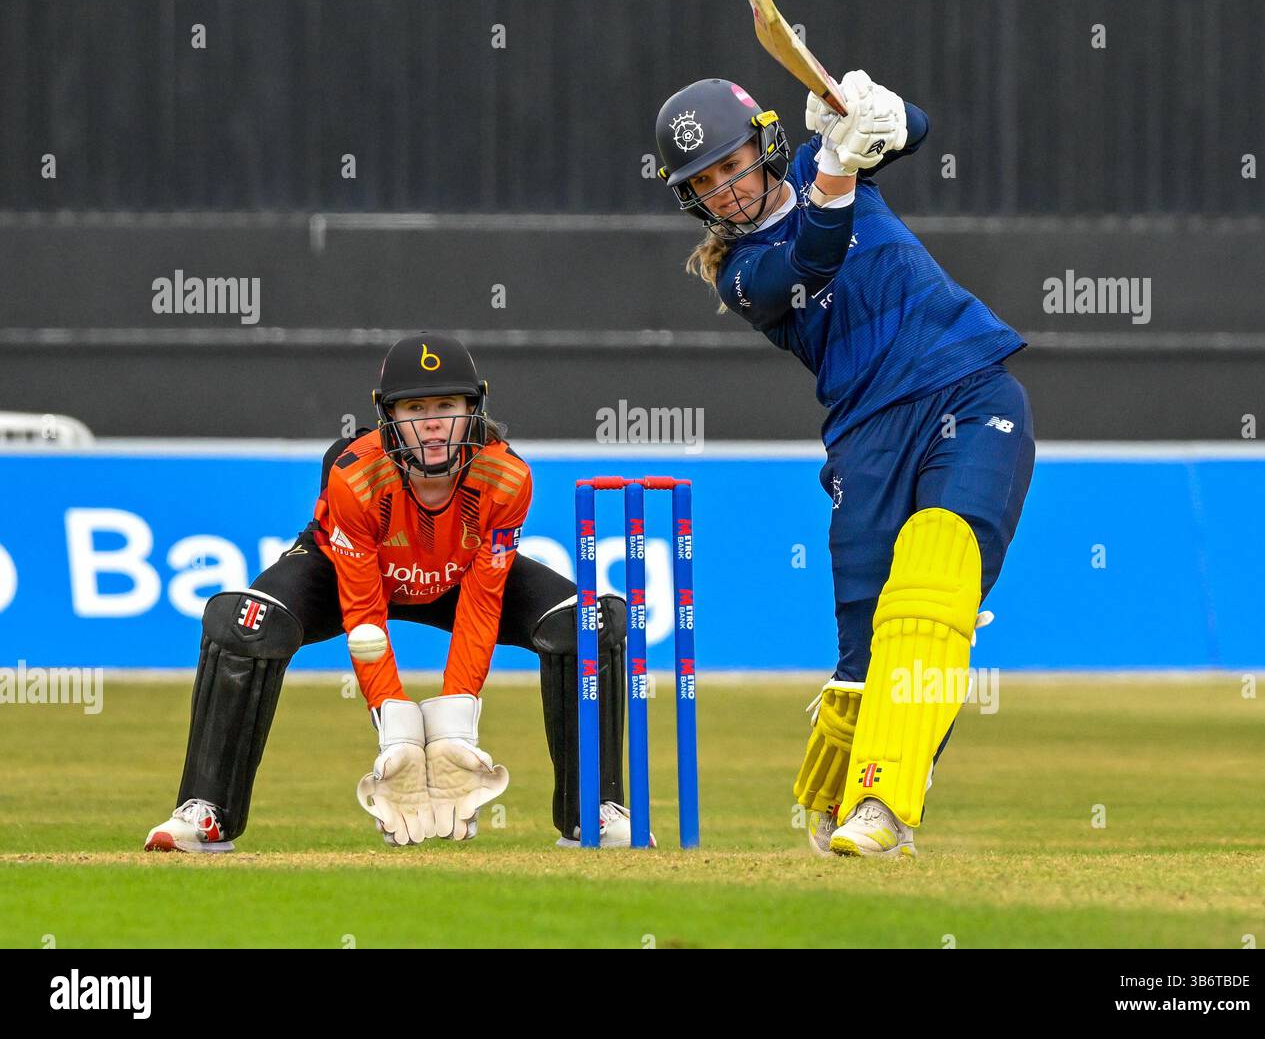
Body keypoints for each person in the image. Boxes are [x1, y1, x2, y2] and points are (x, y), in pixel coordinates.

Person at [654, 74, 1035, 858]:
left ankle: (885, 804)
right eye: (705, 182)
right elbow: (813, 260)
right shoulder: (740, 275)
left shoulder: (822, 167)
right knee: (865, 649)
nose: (725, 191)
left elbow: (920, 127)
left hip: (969, 386)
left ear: (764, 146)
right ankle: (833, 796)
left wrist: (880, 114)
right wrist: (839, 164)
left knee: (933, 581)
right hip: (866, 439)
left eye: (732, 166)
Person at [145, 333, 637, 851]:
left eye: (447, 405)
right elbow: (363, 612)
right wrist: (396, 724)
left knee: (587, 622)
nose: (431, 421)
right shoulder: (356, 477)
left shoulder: (506, 477)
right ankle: (207, 813)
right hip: (345, 572)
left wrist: (453, 723)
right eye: (414, 407)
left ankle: (593, 812)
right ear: (388, 416)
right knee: (243, 623)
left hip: (457, 574)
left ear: (474, 408)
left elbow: (483, 598)